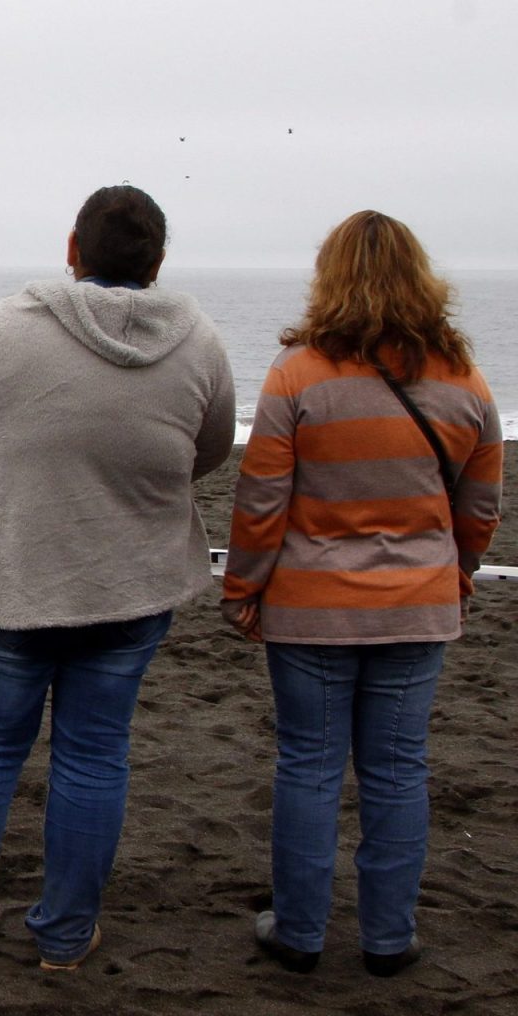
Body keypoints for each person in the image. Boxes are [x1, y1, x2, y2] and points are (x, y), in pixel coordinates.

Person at [0, 185, 236, 970]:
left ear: (72, 250)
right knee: (94, 757)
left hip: (14, 579)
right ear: (159, 262)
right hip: (132, 587)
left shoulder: (11, 325)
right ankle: (66, 936)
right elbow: (209, 453)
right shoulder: (201, 341)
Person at [222, 210, 503, 978]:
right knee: (398, 769)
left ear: (329, 278)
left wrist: (243, 587)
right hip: (418, 604)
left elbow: (261, 500)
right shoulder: (465, 382)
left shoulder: (298, 376)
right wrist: (461, 571)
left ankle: (301, 931)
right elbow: (479, 509)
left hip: (311, 607)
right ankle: (388, 937)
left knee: (309, 767)